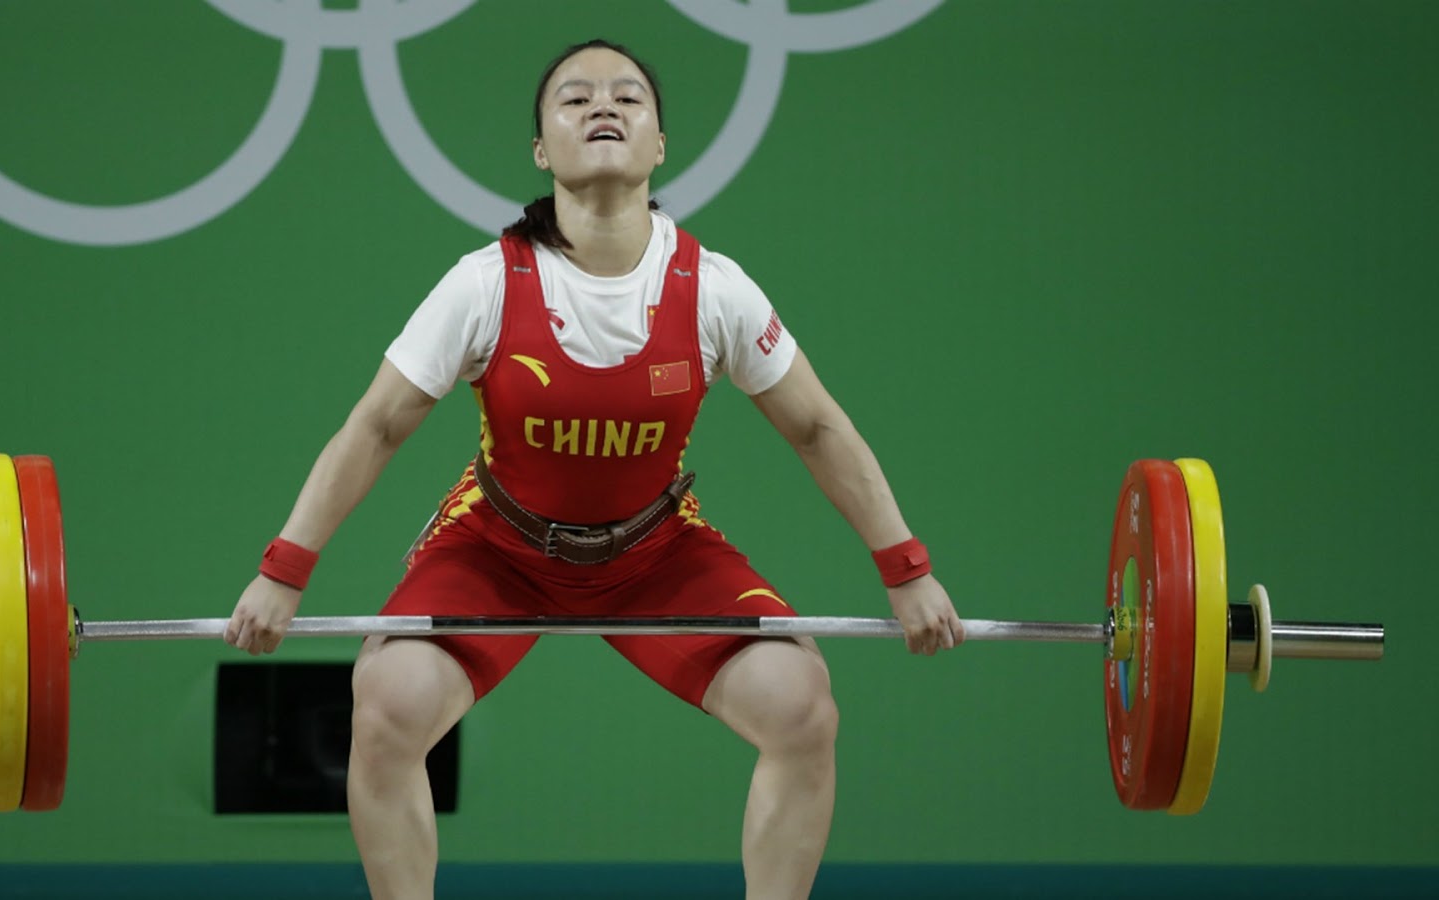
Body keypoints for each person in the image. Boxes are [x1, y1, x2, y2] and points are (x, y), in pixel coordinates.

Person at [224, 38, 965, 900]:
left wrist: (906, 568)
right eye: (575, 100)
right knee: (385, 703)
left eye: (628, 98)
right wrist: (285, 569)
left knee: (802, 706)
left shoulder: (715, 289)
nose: (602, 107)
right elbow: (378, 425)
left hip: (655, 556)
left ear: (658, 145)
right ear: (541, 149)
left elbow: (818, 428)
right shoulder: (483, 283)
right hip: (498, 549)